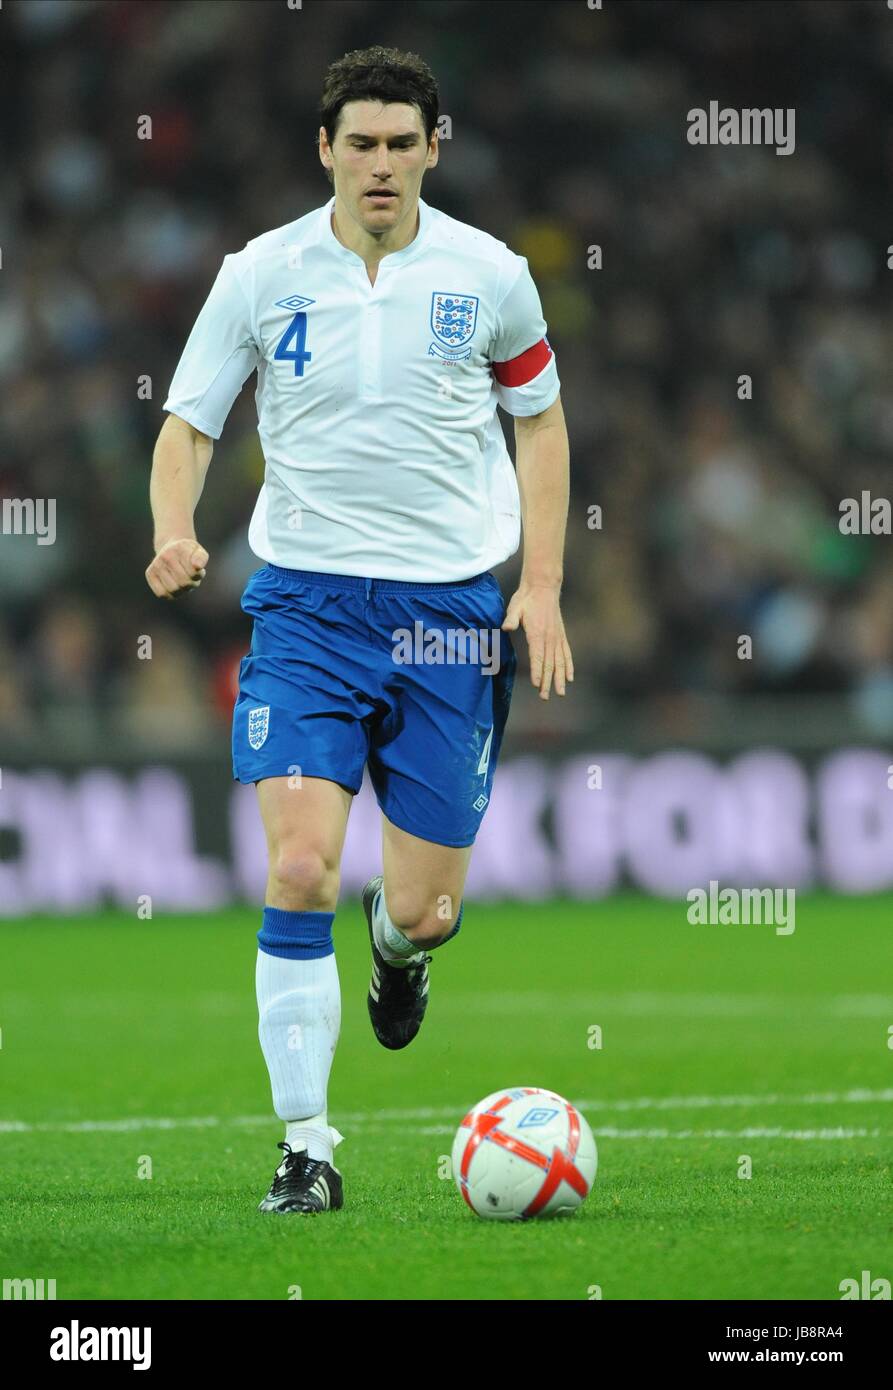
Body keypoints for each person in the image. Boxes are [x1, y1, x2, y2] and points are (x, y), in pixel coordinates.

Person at [145, 45, 572, 1214]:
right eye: (359, 143)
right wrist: (173, 526)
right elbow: (187, 421)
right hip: (307, 607)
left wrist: (538, 583)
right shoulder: (259, 273)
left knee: (425, 906)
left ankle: (396, 954)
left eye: (401, 143)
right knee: (296, 866)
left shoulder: (488, 273)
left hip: (449, 616)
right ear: (323, 150)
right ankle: (305, 1147)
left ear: (434, 148)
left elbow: (539, 424)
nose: (380, 165)